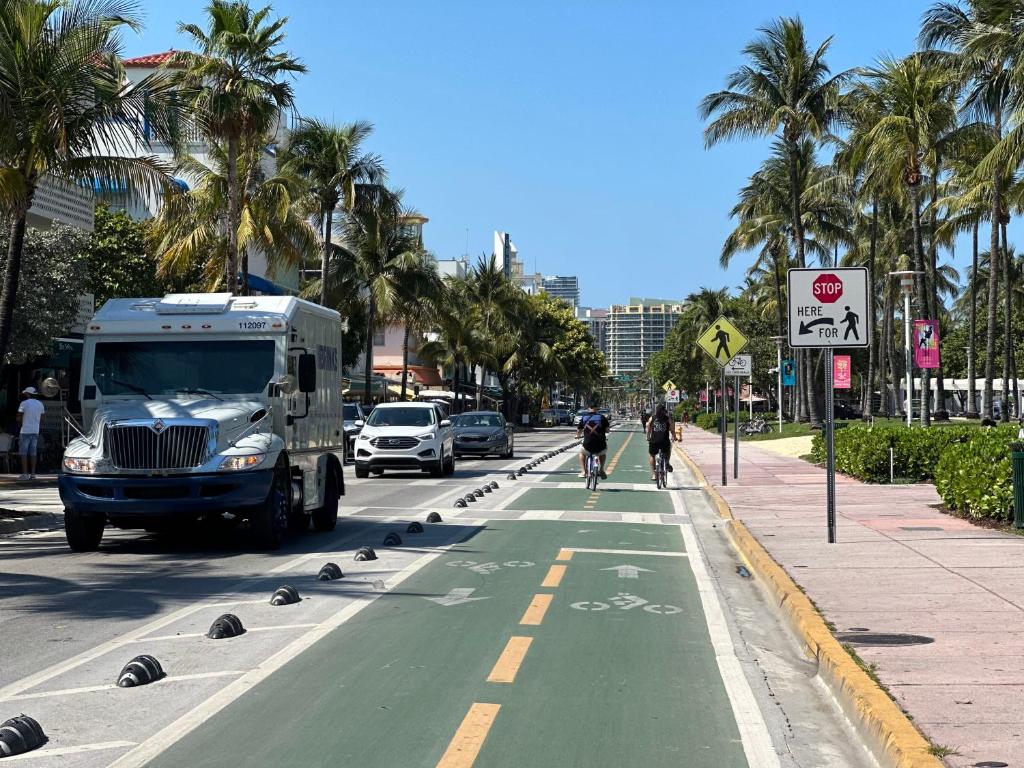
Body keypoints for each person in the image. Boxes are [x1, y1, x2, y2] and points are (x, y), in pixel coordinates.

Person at [17, 386, 45, 481]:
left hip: (25, 431)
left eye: (26, 393)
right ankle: (33, 474)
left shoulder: (24, 403)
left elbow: (18, 418)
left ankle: (25, 474)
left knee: (23, 453)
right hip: (35, 431)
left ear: (28, 394)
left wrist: (23, 422)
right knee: (33, 453)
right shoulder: (40, 404)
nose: (25, 395)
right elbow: (42, 420)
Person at [576, 402, 610, 479]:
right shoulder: (602, 417)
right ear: (597, 408)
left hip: (588, 445)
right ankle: (601, 469)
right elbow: (607, 430)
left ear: (588, 408)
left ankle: (584, 471)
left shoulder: (584, 418)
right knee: (603, 453)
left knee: (581, 452)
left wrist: (577, 436)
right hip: (600, 444)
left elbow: (579, 430)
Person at [646, 403, 675, 481]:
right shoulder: (668, 419)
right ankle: (667, 462)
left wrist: (648, 437)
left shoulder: (652, 418)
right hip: (664, 441)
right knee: (668, 450)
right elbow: (672, 430)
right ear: (664, 410)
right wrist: (674, 437)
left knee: (652, 455)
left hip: (654, 441)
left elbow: (648, 429)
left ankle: (654, 475)